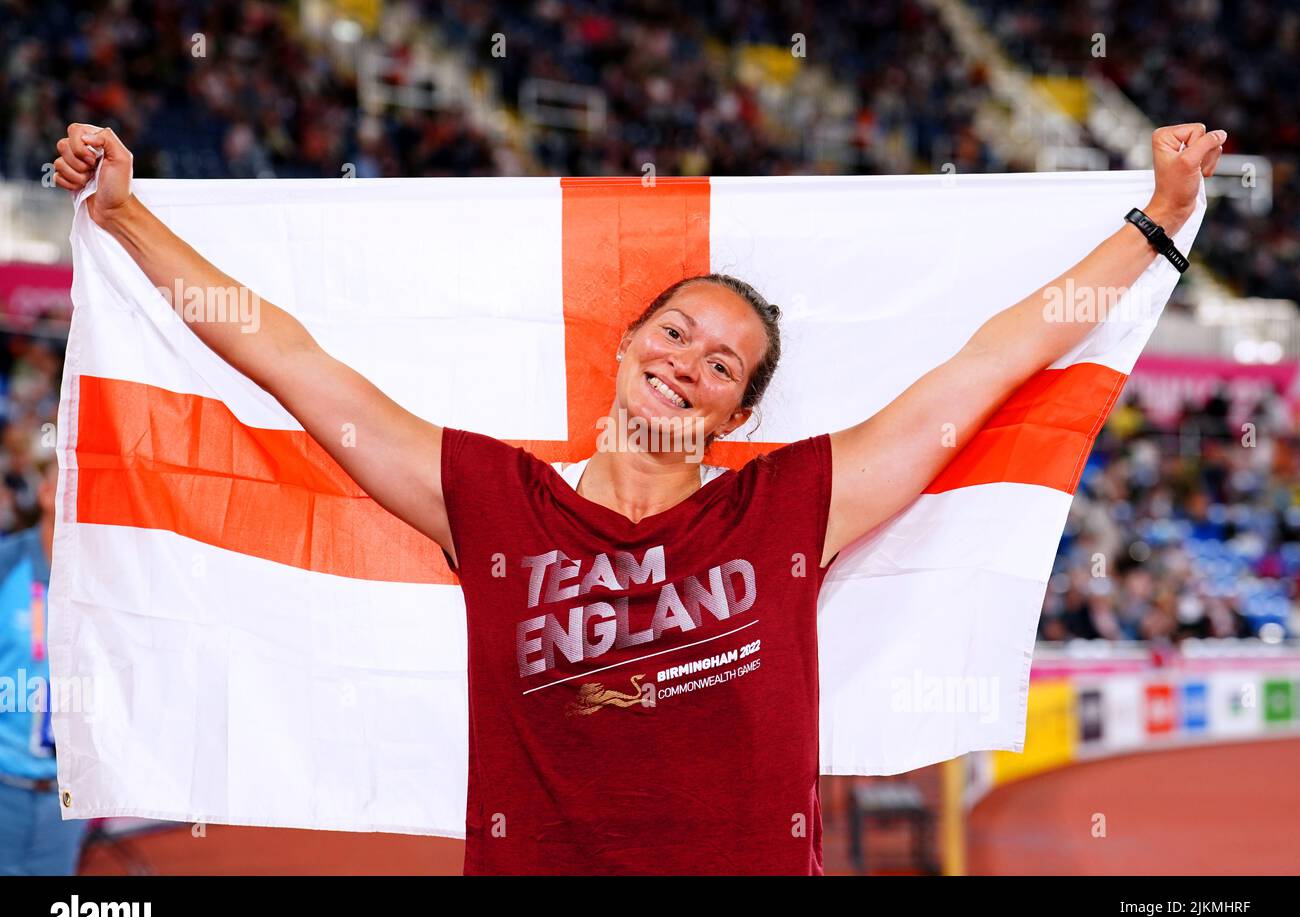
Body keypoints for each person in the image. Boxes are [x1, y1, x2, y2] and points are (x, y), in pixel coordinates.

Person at [50, 120, 1225, 874]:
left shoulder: (792, 504)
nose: (687, 361)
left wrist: (1159, 222)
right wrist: (131, 214)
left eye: (722, 362)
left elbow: (983, 366)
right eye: (674, 331)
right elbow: (293, 361)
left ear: (737, 414)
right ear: (622, 346)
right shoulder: (490, 497)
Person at [0, 458, 91, 875]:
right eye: (68, 482)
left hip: (67, 796)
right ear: (43, 495)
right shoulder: (7, 565)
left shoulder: (106, 579)